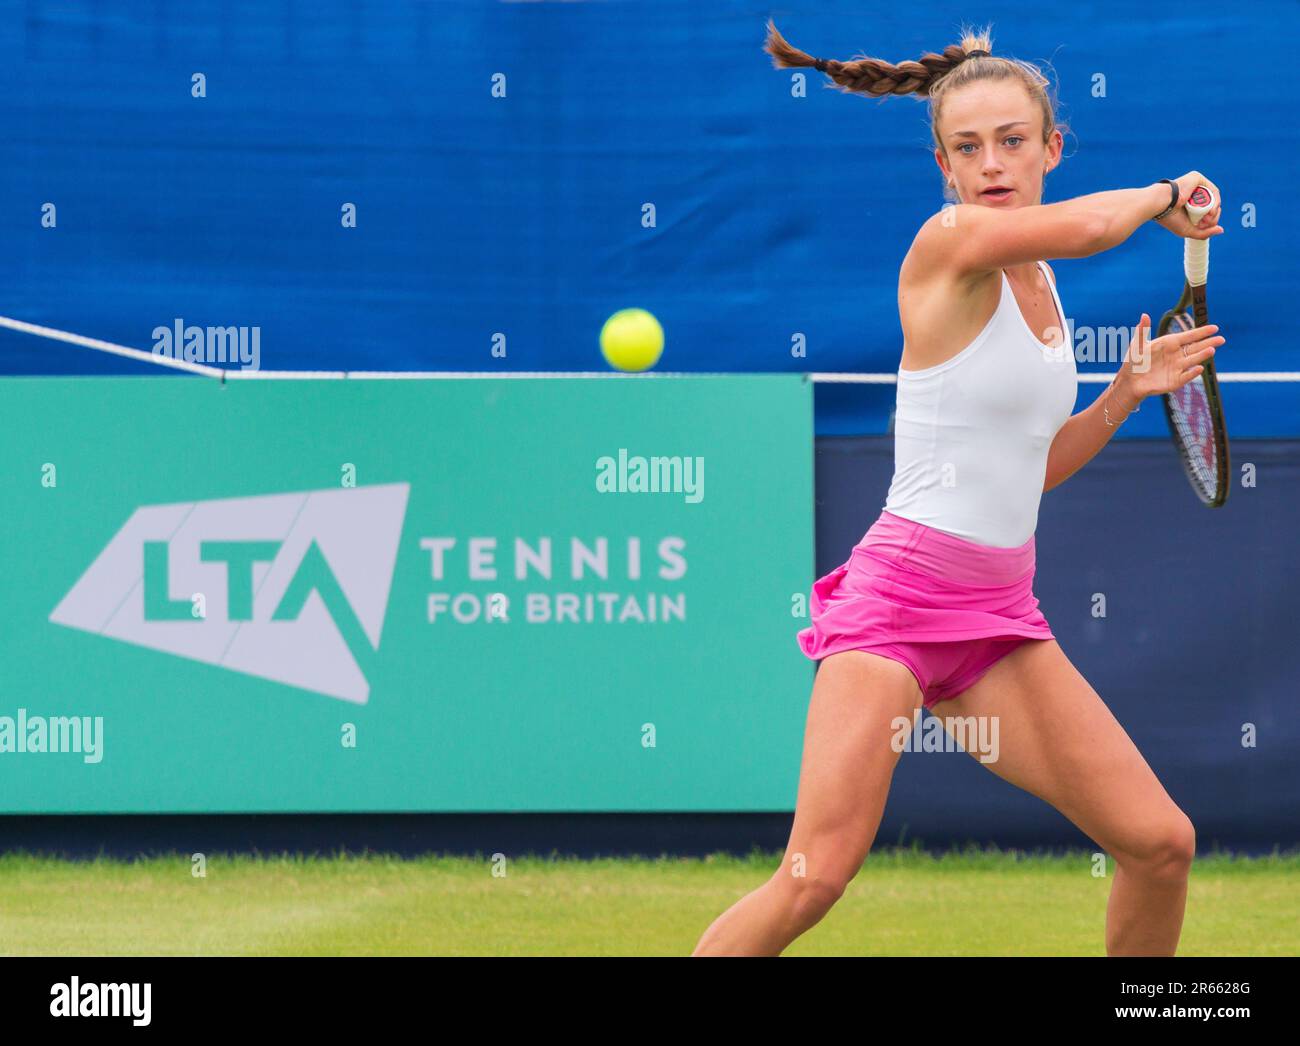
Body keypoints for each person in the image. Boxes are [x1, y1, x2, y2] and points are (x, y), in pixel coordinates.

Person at [691, 23, 1225, 957]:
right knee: (814, 878)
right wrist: (1167, 193)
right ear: (942, 164)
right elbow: (1102, 224)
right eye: (968, 148)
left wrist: (1122, 396)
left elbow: (1031, 467)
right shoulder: (950, 243)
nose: (991, 164)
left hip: (999, 621)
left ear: (1052, 148)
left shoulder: (1042, 282)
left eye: (1013, 141)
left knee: (1159, 844)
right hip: (896, 608)